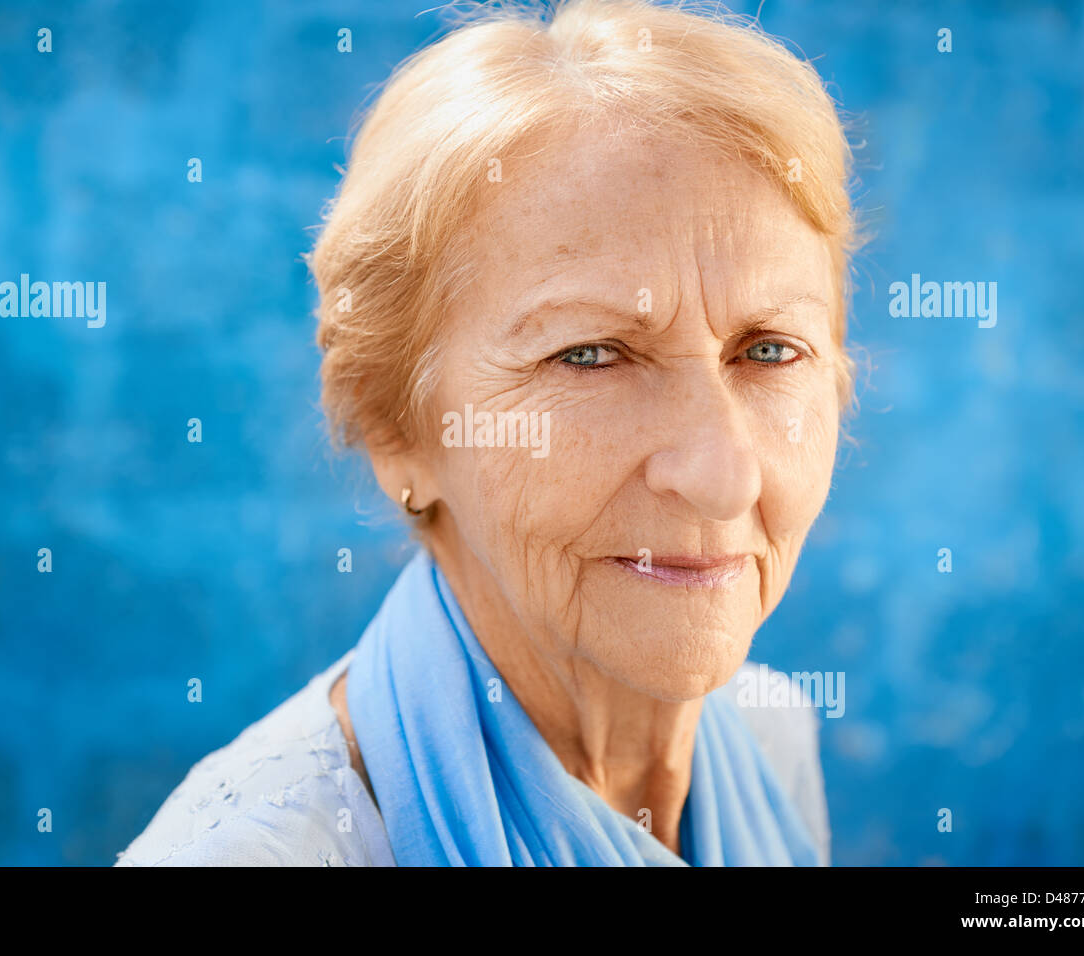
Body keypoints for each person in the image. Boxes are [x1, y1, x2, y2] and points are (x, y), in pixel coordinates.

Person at [118, 0, 860, 867]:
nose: (725, 475)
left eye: (769, 350)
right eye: (591, 356)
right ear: (395, 425)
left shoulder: (770, 738)